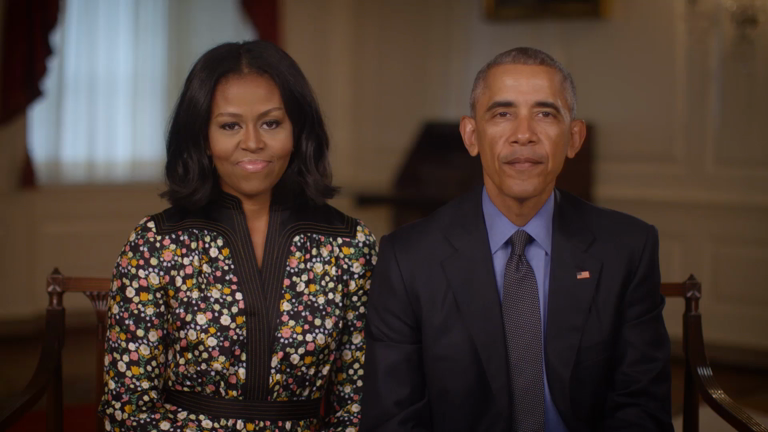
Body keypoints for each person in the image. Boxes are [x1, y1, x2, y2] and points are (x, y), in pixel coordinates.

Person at [361, 47, 672, 432]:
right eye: (502, 114)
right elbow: (393, 419)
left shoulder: (628, 248)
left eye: (545, 114)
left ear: (574, 138)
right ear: (471, 135)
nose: (523, 135)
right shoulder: (407, 258)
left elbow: (642, 408)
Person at [98, 40, 377, 432]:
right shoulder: (156, 243)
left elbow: (359, 405)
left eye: (271, 123)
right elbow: (127, 410)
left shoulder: (349, 245)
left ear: (298, 131)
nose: (252, 142)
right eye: (230, 125)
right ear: (203, 139)